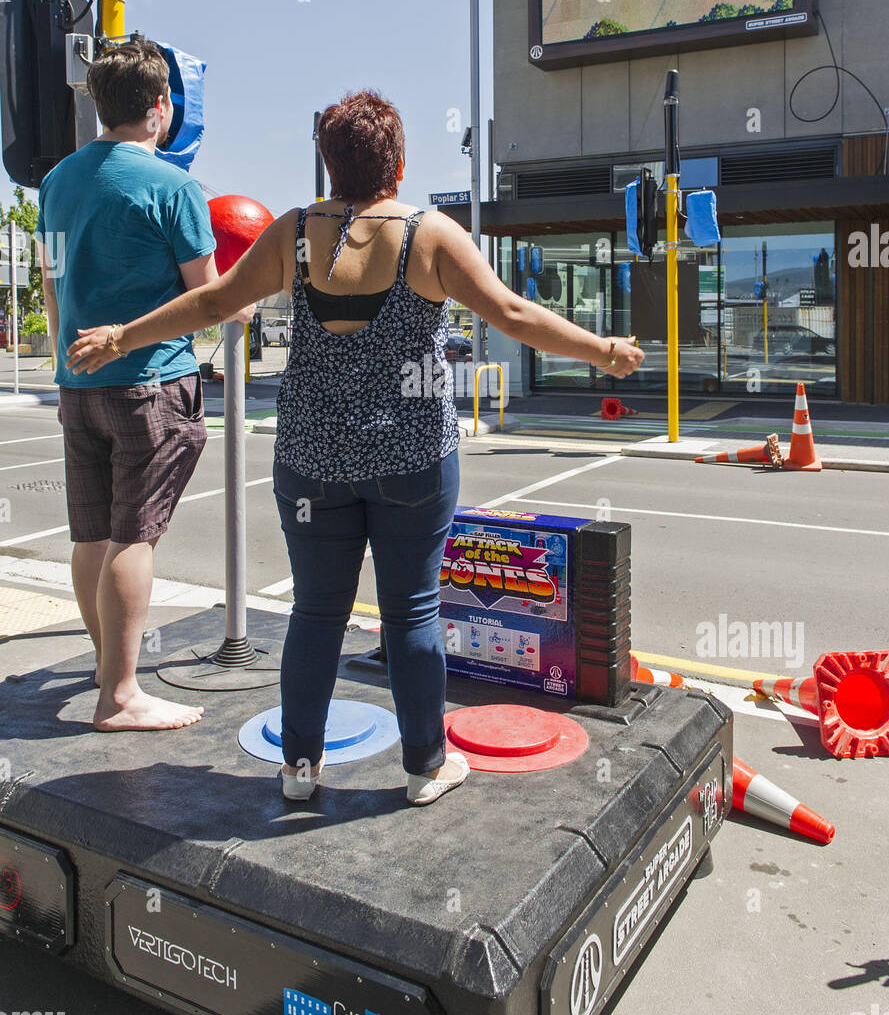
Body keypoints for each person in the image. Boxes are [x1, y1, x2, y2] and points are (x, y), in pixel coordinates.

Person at [65, 89, 643, 804]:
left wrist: (122, 335)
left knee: (316, 612)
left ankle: (300, 770)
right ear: (396, 164)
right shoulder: (432, 235)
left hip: (311, 463)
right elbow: (514, 313)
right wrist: (603, 349)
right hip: (414, 463)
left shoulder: (292, 231)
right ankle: (424, 767)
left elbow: (213, 305)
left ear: (328, 163)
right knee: (412, 613)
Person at [36, 39, 248, 734]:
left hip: (78, 385)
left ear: (99, 105)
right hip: (151, 387)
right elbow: (208, 298)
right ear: (161, 108)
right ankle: (120, 695)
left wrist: (73, 352)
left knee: (91, 535)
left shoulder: (58, 182)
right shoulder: (176, 187)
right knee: (134, 539)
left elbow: (50, 283)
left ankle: (110, 668)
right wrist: (241, 303)